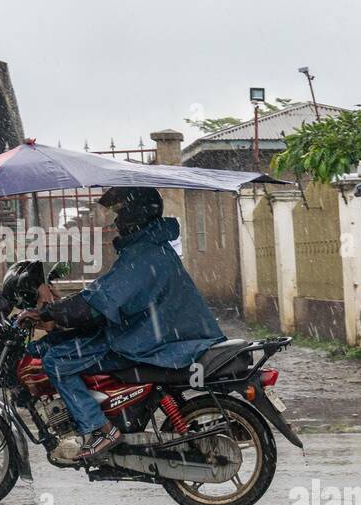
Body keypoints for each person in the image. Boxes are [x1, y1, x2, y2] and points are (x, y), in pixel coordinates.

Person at [20, 186, 224, 458]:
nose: (116, 220)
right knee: (64, 343)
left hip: (145, 339)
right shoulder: (149, 246)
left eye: (120, 211)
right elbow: (104, 295)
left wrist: (51, 312)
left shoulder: (143, 254)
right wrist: (62, 313)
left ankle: (99, 429)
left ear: (135, 213)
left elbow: (99, 302)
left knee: (56, 360)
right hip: (153, 330)